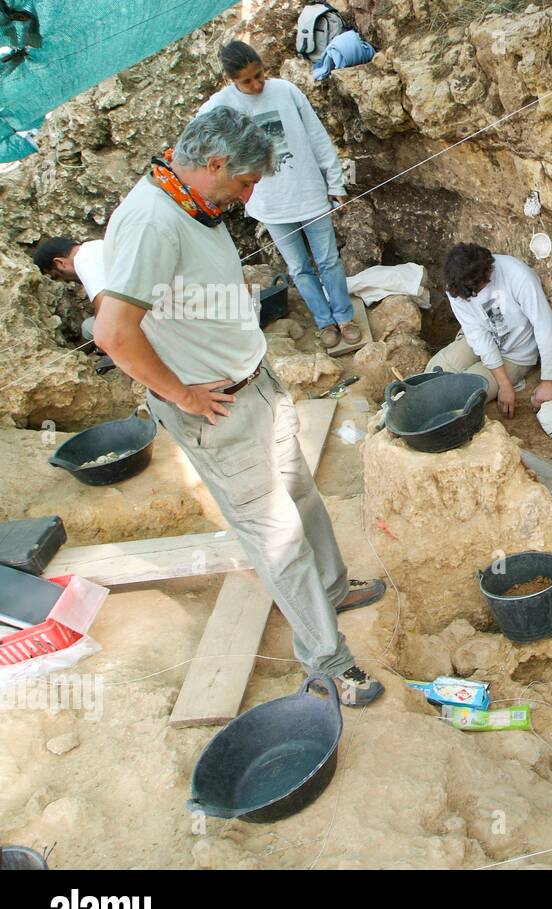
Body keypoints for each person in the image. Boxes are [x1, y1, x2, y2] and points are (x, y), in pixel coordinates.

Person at [94, 107, 385, 705]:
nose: (249, 197)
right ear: (216, 163)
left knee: (299, 492)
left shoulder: (191, 201)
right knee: (275, 532)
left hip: (253, 381)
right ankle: (327, 661)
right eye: (246, 184)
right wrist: (182, 395)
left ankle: (331, 591)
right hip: (215, 408)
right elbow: (115, 333)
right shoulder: (152, 223)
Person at [199, 41, 359, 349]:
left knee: (329, 261)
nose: (257, 84)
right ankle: (325, 322)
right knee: (298, 267)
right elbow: (196, 133)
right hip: (270, 205)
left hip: (310, 194)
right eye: (247, 81)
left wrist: (335, 183)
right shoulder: (221, 105)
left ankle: (344, 317)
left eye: (260, 75)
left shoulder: (286, 91)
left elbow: (317, 137)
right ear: (231, 80)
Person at [428, 243, 552, 417]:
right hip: (479, 340)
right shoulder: (456, 286)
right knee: (432, 372)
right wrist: (504, 384)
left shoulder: (518, 276)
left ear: (489, 272)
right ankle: (401, 407)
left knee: (462, 395)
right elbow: (477, 335)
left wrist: (548, 381)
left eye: (476, 291)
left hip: (516, 354)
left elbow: (544, 326)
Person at [32, 236, 106, 345]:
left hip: (138, 312)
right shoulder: (96, 245)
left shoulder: (84, 261)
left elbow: (105, 309)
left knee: (90, 328)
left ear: (60, 263)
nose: (66, 281)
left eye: (57, 276)